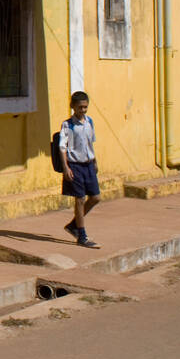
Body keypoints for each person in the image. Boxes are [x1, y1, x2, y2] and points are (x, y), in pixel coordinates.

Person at [59, 91, 101, 249]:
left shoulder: (89, 121)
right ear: (73, 107)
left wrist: (95, 161)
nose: (83, 110)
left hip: (89, 164)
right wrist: (65, 168)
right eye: (80, 107)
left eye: (85, 107)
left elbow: (90, 142)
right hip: (75, 166)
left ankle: (73, 225)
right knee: (80, 199)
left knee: (95, 198)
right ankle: (82, 235)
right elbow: (62, 147)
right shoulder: (67, 125)